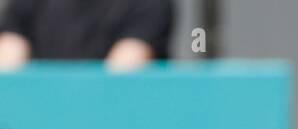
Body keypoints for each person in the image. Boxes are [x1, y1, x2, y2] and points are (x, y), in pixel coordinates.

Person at [0, 0, 174, 70]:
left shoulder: (149, 4)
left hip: (110, 127)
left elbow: (117, 83)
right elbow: (8, 70)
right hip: (37, 121)